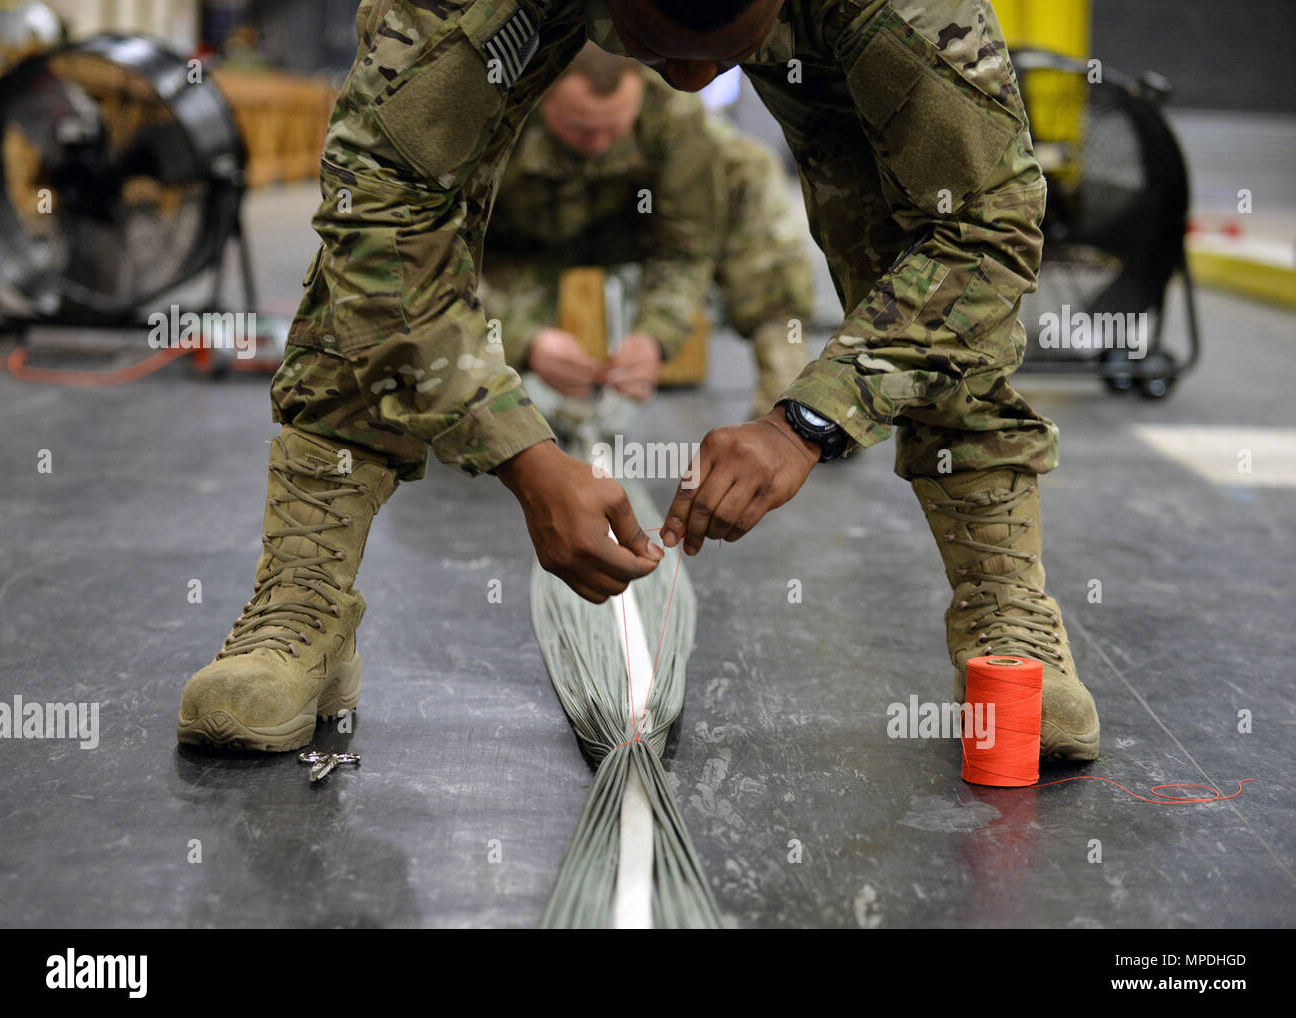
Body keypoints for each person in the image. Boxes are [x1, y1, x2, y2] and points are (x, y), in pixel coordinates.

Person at [179, 0, 1099, 762]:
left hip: (837, 38)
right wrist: (523, 457)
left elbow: (987, 230)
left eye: (721, 57)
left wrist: (807, 422)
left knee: (938, 278)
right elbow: (379, 218)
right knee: (373, 275)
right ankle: (301, 607)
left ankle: (1004, 610)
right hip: (517, 77)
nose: (691, 83)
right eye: (659, 48)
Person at [481, 43, 813, 416]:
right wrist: (523, 337)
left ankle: (790, 405)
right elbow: (444, 253)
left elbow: (686, 247)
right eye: (582, 130)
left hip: (634, 226)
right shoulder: (492, 115)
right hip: (515, 245)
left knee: (746, 167)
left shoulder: (673, 112)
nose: (598, 144)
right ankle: (465, 406)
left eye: (612, 129)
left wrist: (655, 336)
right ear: (544, 98)